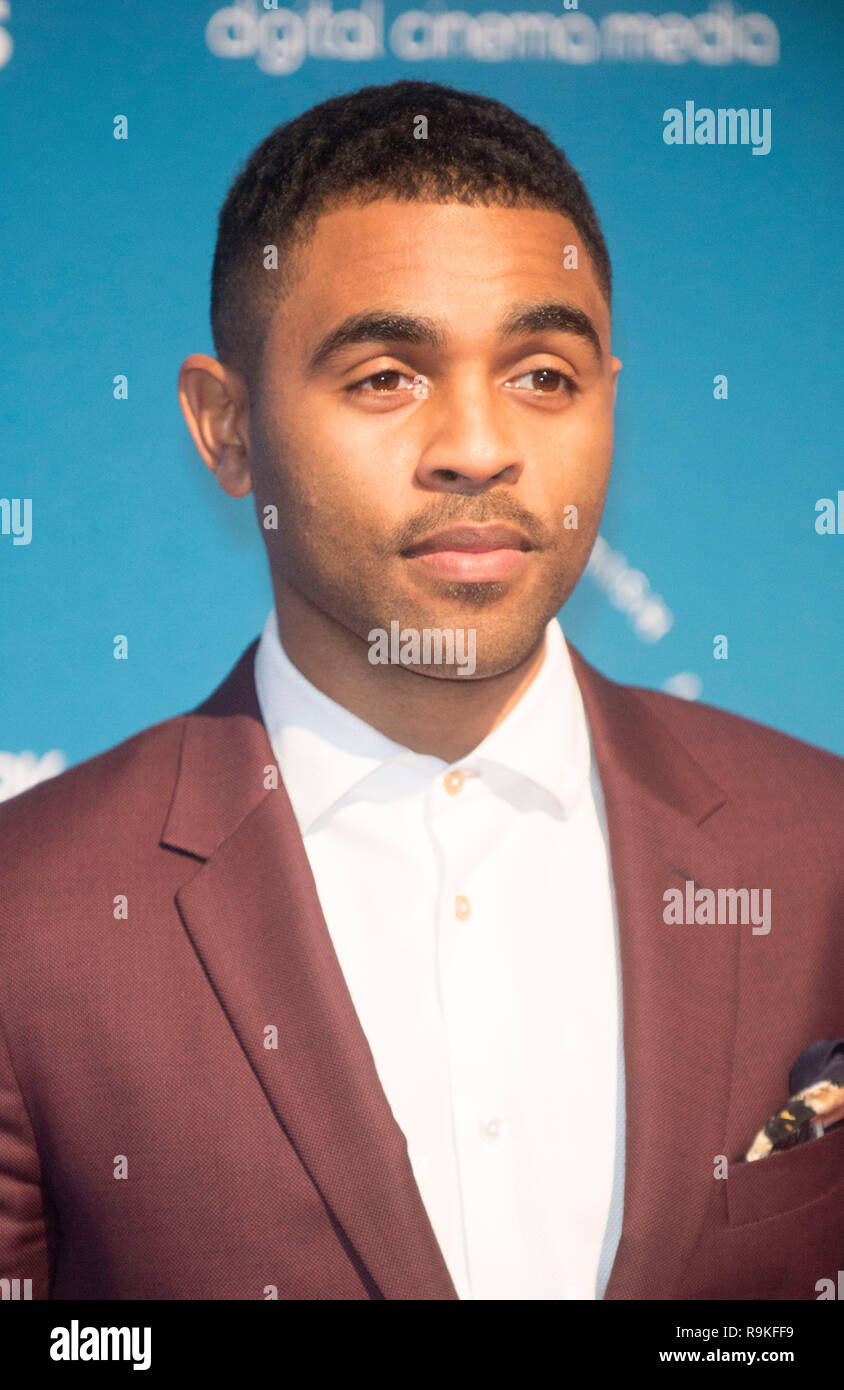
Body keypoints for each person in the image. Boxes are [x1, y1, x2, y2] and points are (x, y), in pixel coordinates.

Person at [1, 80, 841, 1302]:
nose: (478, 445)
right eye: (387, 375)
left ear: (609, 398)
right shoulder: (32, 922)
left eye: (543, 375)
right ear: (226, 429)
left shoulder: (817, 854)